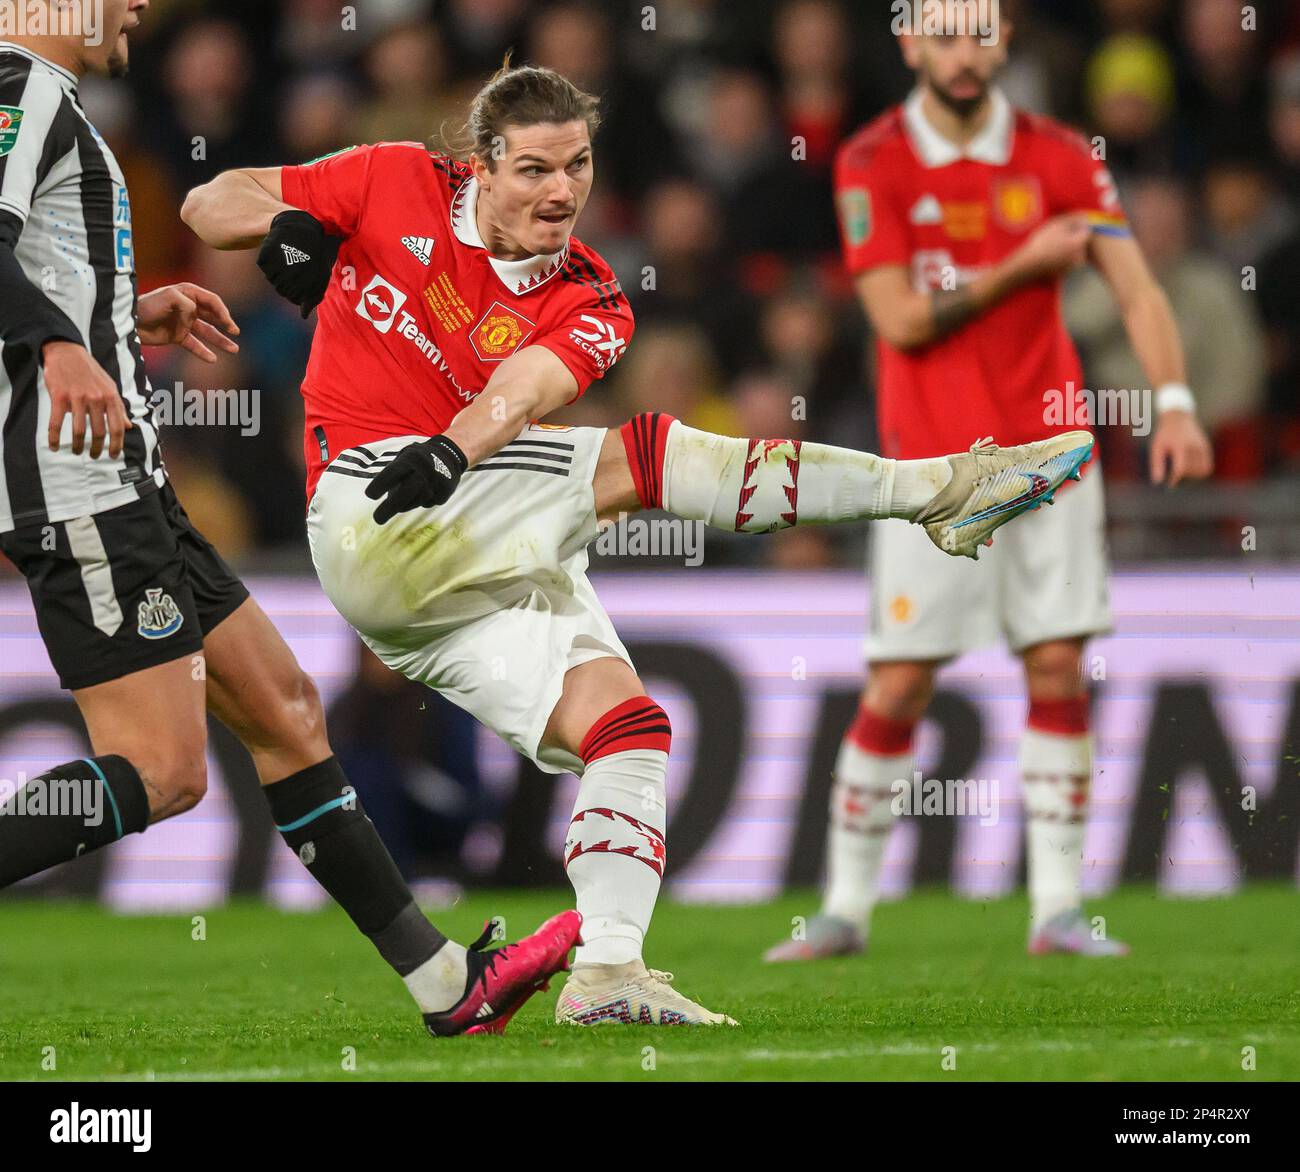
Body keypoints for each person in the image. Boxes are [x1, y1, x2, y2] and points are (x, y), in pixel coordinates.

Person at [181, 55, 1093, 1026]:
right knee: (645, 457)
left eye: (576, 165)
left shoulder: (593, 297)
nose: (560, 189)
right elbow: (207, 199)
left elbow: (524, 389)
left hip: (457, 545)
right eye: (533, 167)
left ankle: (607, 973)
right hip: (367, 509)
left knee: (628, 730)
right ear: (479, 166)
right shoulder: (394, 176)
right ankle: (938, 489)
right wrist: (283, 228)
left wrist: (455, 449)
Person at [0, 0, 578, 1040]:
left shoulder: (54, 101)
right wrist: (57, 347)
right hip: (73, 478)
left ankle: (445, 981)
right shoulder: (18, 86)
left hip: (124, 474)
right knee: (164, 770)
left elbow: (35, 273)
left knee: (285, 707)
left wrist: (119, 320)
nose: (138, 9)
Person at [764, 0, 1213, 964]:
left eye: (980, 33)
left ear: (1005, 41)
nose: (962, 55)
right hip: (928, 473)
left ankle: (1057, 912)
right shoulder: (871, 160)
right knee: (899, 683)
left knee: (1056, 667)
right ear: (908, 43)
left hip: (1050, 457)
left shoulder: (1059, 154)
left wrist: (1173, 399)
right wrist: (1022, 264)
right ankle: (843, 910)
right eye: (942, 34)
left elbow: (1136, 286)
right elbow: (900, 321)